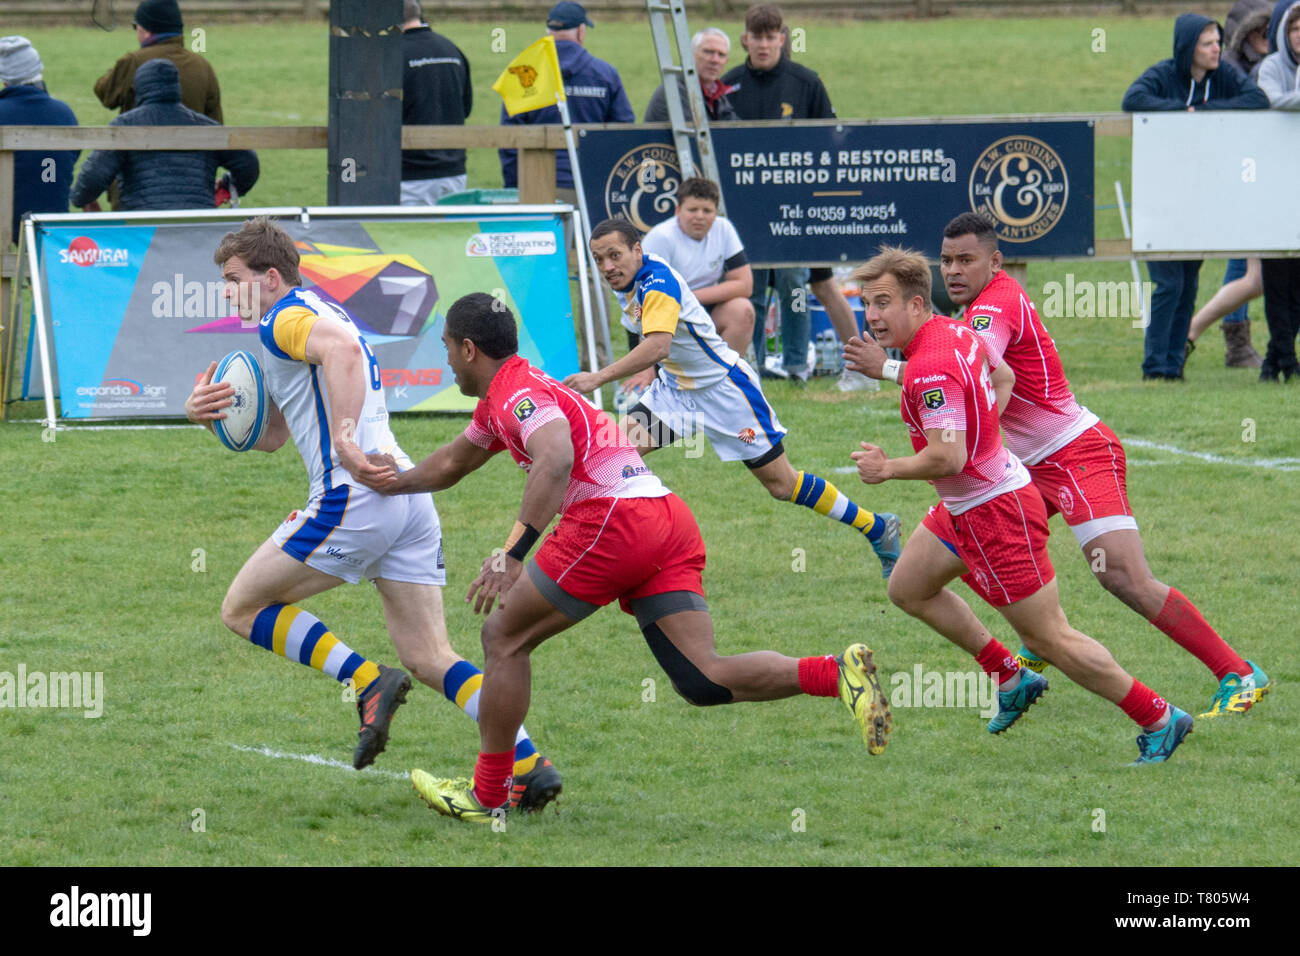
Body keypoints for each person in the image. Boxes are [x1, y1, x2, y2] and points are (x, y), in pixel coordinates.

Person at [352, 291, 890, 823]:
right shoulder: (512, 391)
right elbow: (452, 461)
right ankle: (836, 674)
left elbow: (556, 457)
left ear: (469, 349)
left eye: (446, 347)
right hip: (664, 519)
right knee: (703, 678)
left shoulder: (517, 392)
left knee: (502, 638)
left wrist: (512, 553)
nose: (445, 359)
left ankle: (489, 793)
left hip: (611, 522)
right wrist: (390, 481)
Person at [182, 219, 561, 810]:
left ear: (271, 276)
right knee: (430, 655)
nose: (225, 292)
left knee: (242, 607)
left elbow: (337, 356)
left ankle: (364, 681)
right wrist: (211, 418)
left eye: (233, 279)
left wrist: (345, 441)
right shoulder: (314, 311)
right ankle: (528, 763)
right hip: (404, 495)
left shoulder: (283, 318)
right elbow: (275, 435)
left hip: (353, 494)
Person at [847, 213, 1269, 719]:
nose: (954, 270)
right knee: (914, 581)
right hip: (1009, 472)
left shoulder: (993, 306)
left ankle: (1238, 673)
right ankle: (1017, 665)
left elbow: (971, 362)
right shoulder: (970, 311)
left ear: (995, 262)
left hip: (1072, 454)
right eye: (946, 261)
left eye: (966, 260)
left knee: (1122, 576)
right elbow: (979, 378)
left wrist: (887, 366)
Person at [565, 218, 902, 579]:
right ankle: (604, 552)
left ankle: (878, 527)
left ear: (637, 250)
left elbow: (659, 344)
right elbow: (659, 344)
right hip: (677, 393)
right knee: (610, 457)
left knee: (782, 485)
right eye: (599, 259)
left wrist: (598, 376)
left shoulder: (656, 282)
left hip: (726, 393)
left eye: (614, 255)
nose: (607, 267)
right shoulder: (628, 281)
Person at [721, 4, 869, 390]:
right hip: (746, 210)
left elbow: (831, 140)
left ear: (783, 39)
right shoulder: (728, 85)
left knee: (796, 283)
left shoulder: (806, 83)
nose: (765, 44)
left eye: (772, 37)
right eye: (758, 37)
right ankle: (746, 362)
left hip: (798, 208)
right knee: (748, 286)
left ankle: (797, 364)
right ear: (746, 40)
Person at [1122, 13, 1269, 381]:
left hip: (1201, 198)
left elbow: (1256, 99)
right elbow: (1132, 99)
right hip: (1161, 197)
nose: (1217, 48)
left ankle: (1173, 365)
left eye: (1217, 41)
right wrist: (1180, 113)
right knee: (1169, 282)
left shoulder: (1222, 77)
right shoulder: (1163, 74)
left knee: (1188, 281)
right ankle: (1155, 365)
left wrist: (1205, 113)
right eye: (1207, 43)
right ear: (1189, 49)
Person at [70, 59, 258, 212]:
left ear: (138, 88)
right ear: (177, 87)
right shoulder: (204, 126)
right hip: (198, 227)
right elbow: (248, 163)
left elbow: (94, 176)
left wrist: (81, 198)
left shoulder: (125, 126)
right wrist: (226, 187)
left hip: (144, 228)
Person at [497, 2, 633, 195]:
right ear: (581, 31)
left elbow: (508, 139)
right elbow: (623, 132)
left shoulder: (522, 74)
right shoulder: (606, 74)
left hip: (536, 187)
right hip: (592, 186)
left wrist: (515, 187)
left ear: (548, 32)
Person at [640, 176, 754, 355]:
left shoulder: (724, 228)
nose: (700, 216)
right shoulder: (660, 238)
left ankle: (724, 378)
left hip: (701, 305)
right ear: (677, 210)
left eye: (707, 210)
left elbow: (745, 285)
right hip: (664, 313)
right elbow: (644, 300)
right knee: (651, 382)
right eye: (692, 209)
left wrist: (689, 298)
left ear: (716, 212)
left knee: (742, 310)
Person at [1254, 0, 1300, 381]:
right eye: (1295, 29)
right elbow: (1269, 99)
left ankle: (1274, 361)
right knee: (1276, 280)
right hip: (1271, 189)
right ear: (1285, 34)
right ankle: (1288, 360)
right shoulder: (1270, 66)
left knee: (1297, 284)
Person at [0, 36, 77, 242]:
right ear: (38, 70)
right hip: (53, 218)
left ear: (5, 78)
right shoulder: (64, 113)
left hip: (7, 219)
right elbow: (72, 157)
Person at [94, 0, 222, 121]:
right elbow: (216, 121)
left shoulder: (134, 61)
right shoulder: (203, 66)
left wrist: (123, 65)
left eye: (136, 26)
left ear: (146, 30)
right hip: (190, 144)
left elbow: (105, 94)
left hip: (142, 143)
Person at [399, 0, 472, 206]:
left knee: (407, 237)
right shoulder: (452, 50)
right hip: (454, 172)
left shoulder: (391, 56)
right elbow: (465, 108)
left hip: (409, 177)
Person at [644, 27, 738, 123]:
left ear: (726, 61)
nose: (715, 60)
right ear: (690, 55)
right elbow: (697, 135)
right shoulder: (676, 90)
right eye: (708, 52)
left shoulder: (715, 92)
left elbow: (736, 130)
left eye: (721, 55)